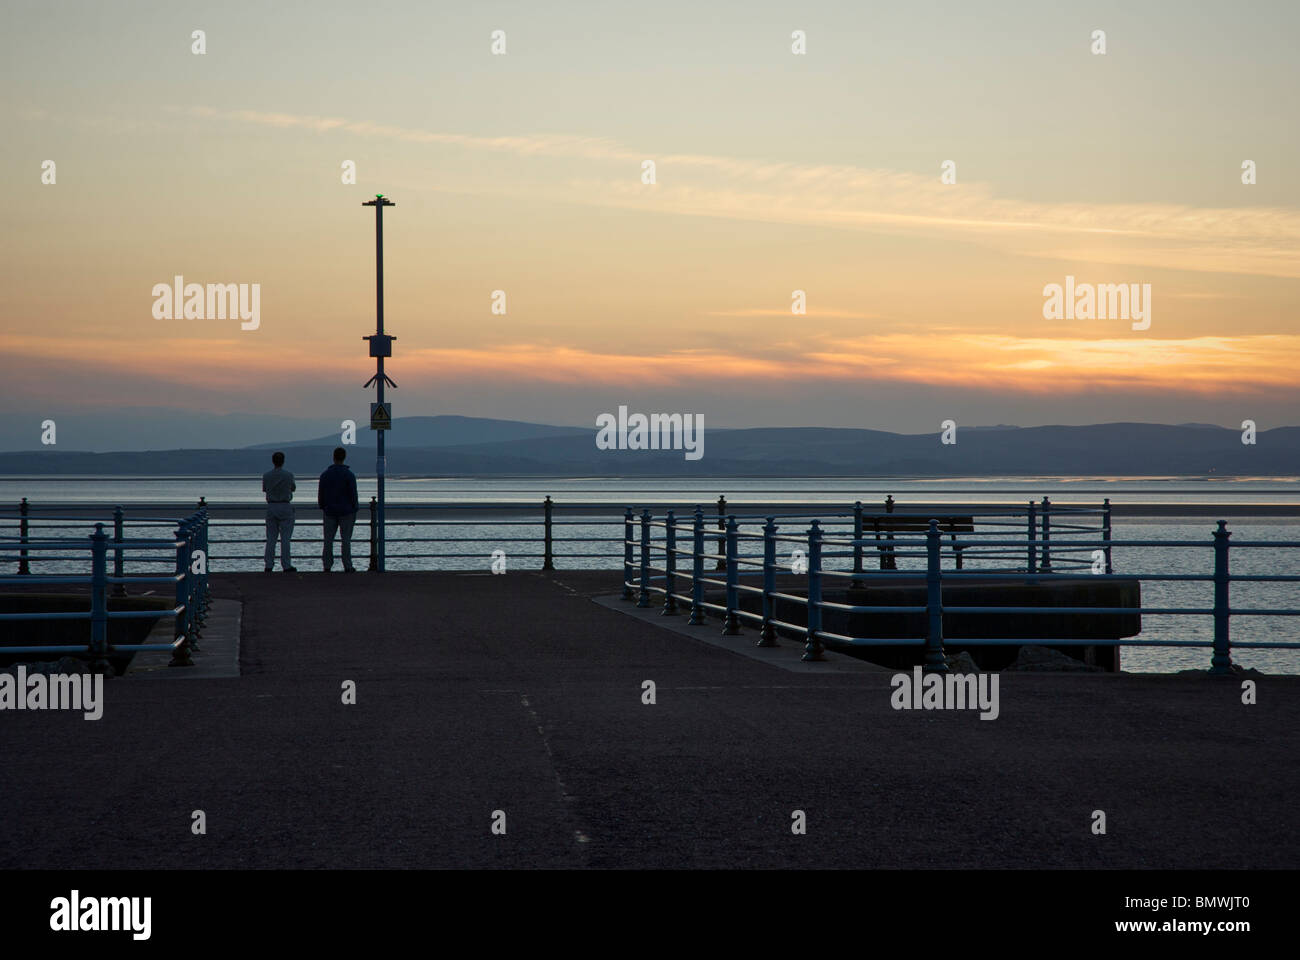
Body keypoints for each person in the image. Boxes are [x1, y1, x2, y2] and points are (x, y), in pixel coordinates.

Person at [318, 446, 359, 572]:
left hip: (329, 511)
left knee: (328, 540)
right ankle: (347, 565)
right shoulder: (349, 475)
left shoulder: (325, 474)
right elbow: (353, 493)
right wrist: (354, 507)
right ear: (344, 457)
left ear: (333, 457)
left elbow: (321, 493)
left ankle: (327, 565)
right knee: (346, 539)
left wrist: (323, 506)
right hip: (346, 511)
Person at [262, 451, 297, 572]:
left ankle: (269, 564)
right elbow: (293, 488)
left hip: (272, 506)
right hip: (285, 506)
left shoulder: (266, 475)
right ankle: (286, 565)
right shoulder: (289, 475)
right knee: (285, 538)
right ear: (283, 461)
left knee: (271, 538)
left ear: (273, 461)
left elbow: (265, 489)